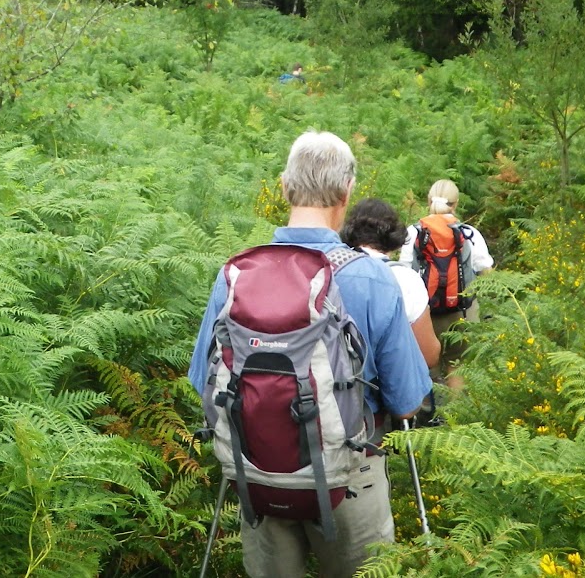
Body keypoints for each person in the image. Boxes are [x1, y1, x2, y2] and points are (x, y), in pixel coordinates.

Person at [189, 131, 432, 577]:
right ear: (347, 192)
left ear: (284, 187)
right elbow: (407, 400)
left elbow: (199, 380)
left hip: (256, 474)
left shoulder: (236, 277)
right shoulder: (373, 279)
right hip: (349, 476)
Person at [399, 178, 493, 388]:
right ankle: (455, 415)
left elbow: (404, 273)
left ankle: (426, 414)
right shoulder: (469, 233)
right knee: (456, 364)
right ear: (456, 203)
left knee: (423, 365)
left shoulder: (413, 233)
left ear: (428, 201)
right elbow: (488, 273)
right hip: (462, 311)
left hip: (423, 313)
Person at [342, 198, 441, 368]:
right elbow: (429, 356)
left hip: (339, 383)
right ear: (394, 236)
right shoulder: (406, 278)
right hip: (387, 383)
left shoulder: (331, 269)